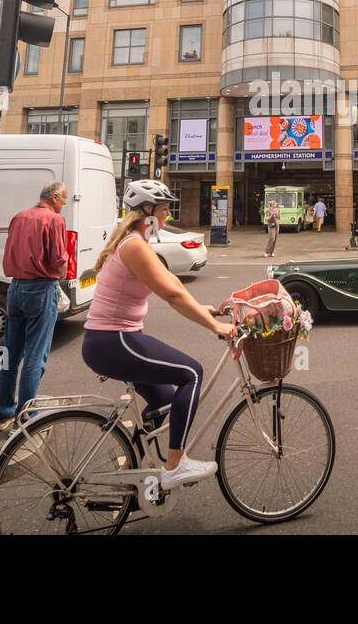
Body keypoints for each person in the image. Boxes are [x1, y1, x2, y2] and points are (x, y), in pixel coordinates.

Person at [82, 180, 234, 490]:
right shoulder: (134, 245)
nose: (167, 218)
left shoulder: (135, 242)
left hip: (112, 340)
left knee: (164, 400)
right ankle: (174, 466)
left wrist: (205, 310)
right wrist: (216, 328)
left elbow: (175, 285)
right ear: (148, 214)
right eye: (164, 211)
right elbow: (171, 296)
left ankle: (132, 469)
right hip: (113, 340)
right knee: (191, 373)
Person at [0, 181, 69, 432]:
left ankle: (2, 413)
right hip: (41, 288)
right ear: (54, 197)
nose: (64, 203)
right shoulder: (54, 219)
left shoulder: (19, 216)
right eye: (64, 198)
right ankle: (26, 416)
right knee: (36, 355)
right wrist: (63, 274)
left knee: (9, 354)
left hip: (15, 287)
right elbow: (58, 258)